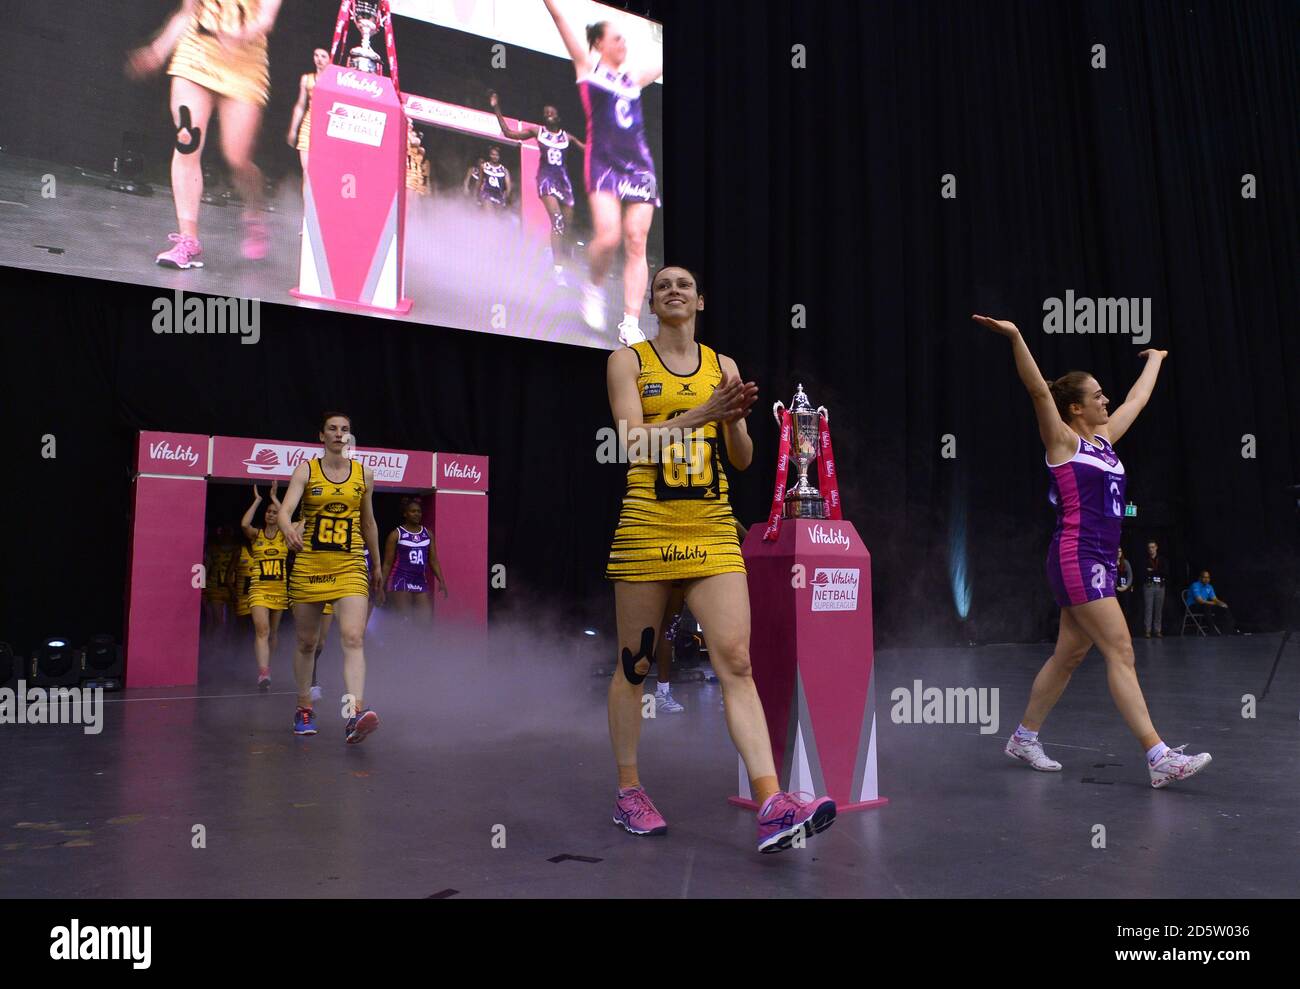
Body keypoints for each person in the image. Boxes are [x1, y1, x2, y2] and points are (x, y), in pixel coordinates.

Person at [604, 264, 836, 852]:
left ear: (700, 299)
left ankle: (772, 802)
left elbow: (742, 459)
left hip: (711, 528)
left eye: (684, 284)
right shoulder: (628, 361)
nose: (674, 291)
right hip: (647, 527)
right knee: (635, 664)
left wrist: (732, 421)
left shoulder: (723, 366)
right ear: (653, 303)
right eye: (663, 286)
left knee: (736, 659)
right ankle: (629, 790)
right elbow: (630, 442)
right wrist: (701, 414)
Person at [973, 314, 1211, 788]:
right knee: (1121, 649)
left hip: (1098, 560)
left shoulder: (1104, 442)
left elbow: (1138, 399)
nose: (1107, 399)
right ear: (1076, 408)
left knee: (1069, 655)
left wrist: (1157, 360)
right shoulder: (1062, 442)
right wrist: (1018, 337)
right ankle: (1158, 755)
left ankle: (1024, 737)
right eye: (1098, 395)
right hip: (1076, 558)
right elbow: (1040, 392)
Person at [127, 0, 284, 268]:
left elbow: (265, 20)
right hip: (196, 55)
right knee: (187, 140)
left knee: (237, 159)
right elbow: (187, 12)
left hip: (243, 63)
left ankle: (255, 211)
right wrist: (158, 50)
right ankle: (188, 240)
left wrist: (237, 35)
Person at [543, 0, 662, 346]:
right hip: (604, 163)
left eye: (624, 39)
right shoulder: (587, 69)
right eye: (616, 38)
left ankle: (630, 322)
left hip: (639, 165)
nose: (623, 43)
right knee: (609, 237)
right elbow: (560, 14)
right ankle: (592, 288)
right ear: (598, 44)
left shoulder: (634, 79)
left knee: (636, 239)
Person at [278, 413, 385, 742]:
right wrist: (286, 530)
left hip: (350, 564)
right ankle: (304, 707)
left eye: (345, 430)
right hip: (310, 565)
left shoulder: (363, 474)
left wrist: (377, 566)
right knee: (307, 643)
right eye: (333, 429)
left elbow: (368, 523)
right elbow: (285, 510)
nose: (339, 434)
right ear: (321, 435)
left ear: (349, 436)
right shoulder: (306, 470)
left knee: (353, 637)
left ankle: (354, 713)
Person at [489, 91, 586, 282]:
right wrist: (496, 108)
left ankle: (556, 256)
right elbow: (509, 133)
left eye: (551, 113)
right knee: (557, 221)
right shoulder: (537, 131)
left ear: (558, 117)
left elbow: (589, 150)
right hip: (546, 178)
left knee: (566, 226)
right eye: (545, 113)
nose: (548, 115)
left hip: (563, 182)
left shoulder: (568, 137)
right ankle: (558, 271)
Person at [240, 483, 289, 689]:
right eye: (269, 511)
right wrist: (258, 501)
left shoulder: (286, 536)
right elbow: (244, 524)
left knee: (273, 634)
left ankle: (268, 664)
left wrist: (277, 500)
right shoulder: (256, 535)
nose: (270, 514)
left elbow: (298, 522)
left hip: (279, 590)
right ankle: (263, 673)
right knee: (262, 630)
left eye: (275, 512)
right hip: (259, 590)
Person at [381, 498, 447, 623]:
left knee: (424, 620)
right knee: (404, 621)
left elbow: (433, 560)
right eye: (413, 511)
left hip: (419, 580)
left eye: (419, 511)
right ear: (405, 513)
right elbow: (387, 563)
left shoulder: (427, 533)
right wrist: (380, 586)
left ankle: (419, 643)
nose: (417, 514)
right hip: (400, 579)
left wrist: (441, 581)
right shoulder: (396, 534)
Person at [287, 48, 329, 178]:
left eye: (323, 56)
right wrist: (293, 130)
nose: (319, 59)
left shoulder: (336, 81)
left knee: (321, 173)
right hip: (308, 126)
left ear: (330, 59)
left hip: (327, 128)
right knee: (307, 172)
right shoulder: (307, 79)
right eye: (316, 55)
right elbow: (300, 105)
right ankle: (308, 198)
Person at [1189, 570, 1236, 634]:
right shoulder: (1195, 585)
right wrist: (1213, 603)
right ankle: (1212, 629)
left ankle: (1230, 629)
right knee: (1207, 606)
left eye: (1208, 577)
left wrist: (1221, 603)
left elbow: (1215, 599)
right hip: (1193, 606)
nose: (1207, 579)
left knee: (1224, 607)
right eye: (1204, 577)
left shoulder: (1209, 586)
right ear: (1200, 578)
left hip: (1204, 606)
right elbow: (1199, 601)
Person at [1143, 540, 1169, 638]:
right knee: (1148, 608)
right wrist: (1156, 572)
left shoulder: (1162, 560)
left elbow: (1165, 572)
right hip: (1149, 585)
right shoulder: (1145, 560)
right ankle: (1147, 630)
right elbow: (1144, 573)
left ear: (1156, 547)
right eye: (1149, 547)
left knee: (1158, 609)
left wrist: (1153, 571)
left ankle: (1157, 630)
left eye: (1153, 547)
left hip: (1160, 586)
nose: (1151, 549)